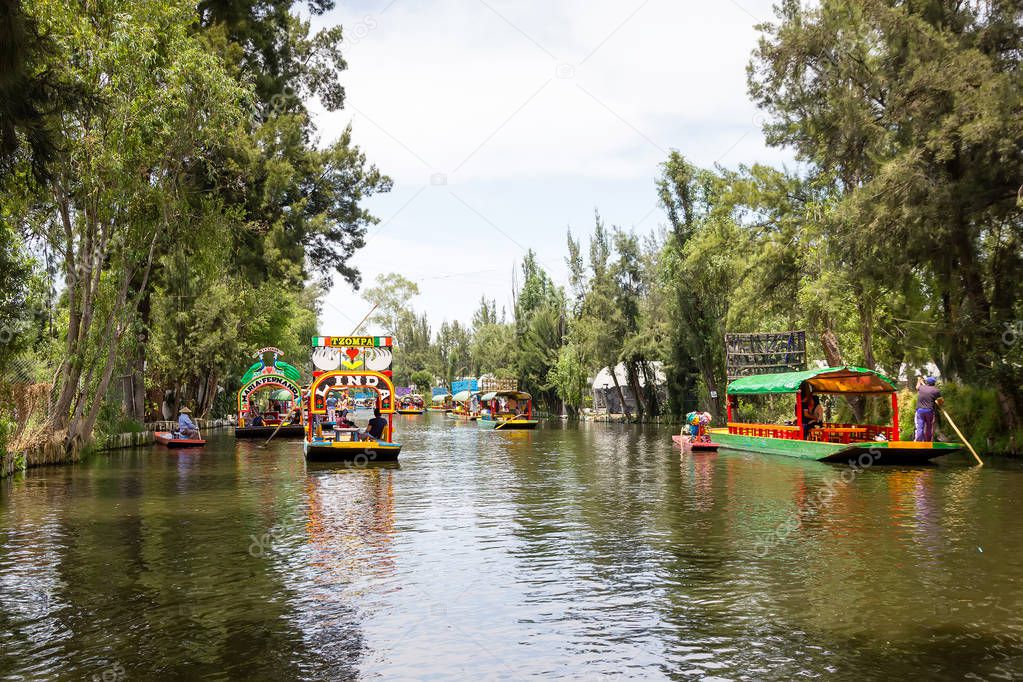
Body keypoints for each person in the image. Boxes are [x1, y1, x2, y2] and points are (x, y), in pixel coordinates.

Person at [914, 375, 944, 442]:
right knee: (929, 427)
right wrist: (938, 403)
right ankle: (928, 442)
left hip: (920, 411)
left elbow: (917, 387)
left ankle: (918, 441)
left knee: (920, 427)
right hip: (929, 411)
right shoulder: (936, 390)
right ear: (934, 383)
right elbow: (941, 401)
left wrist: (919, 380)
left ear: (927, 382)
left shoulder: (921, 388)